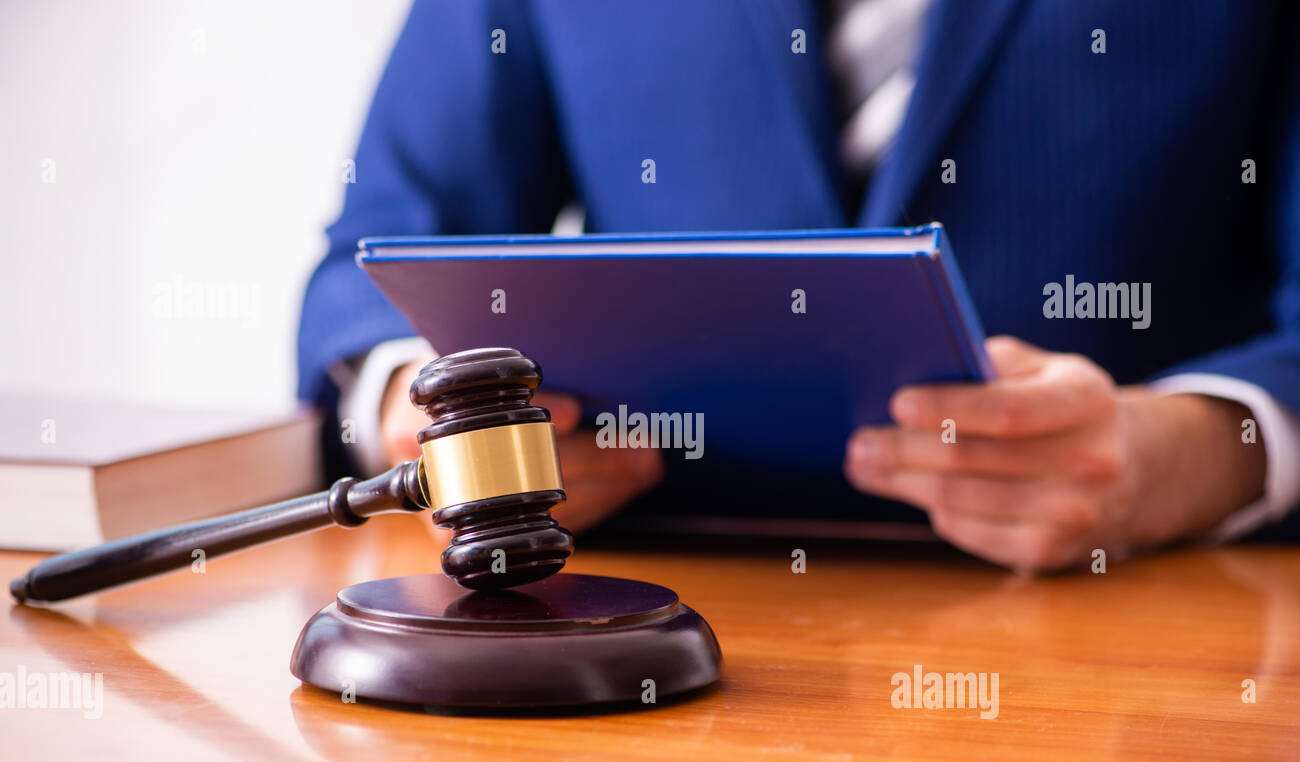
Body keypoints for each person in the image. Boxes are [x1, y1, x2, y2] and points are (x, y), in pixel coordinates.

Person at [298, 0, 1300, 571]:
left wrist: (1190, 455)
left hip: (1137, 620)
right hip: (639, 612)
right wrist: (426, 411)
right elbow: (375, 257)